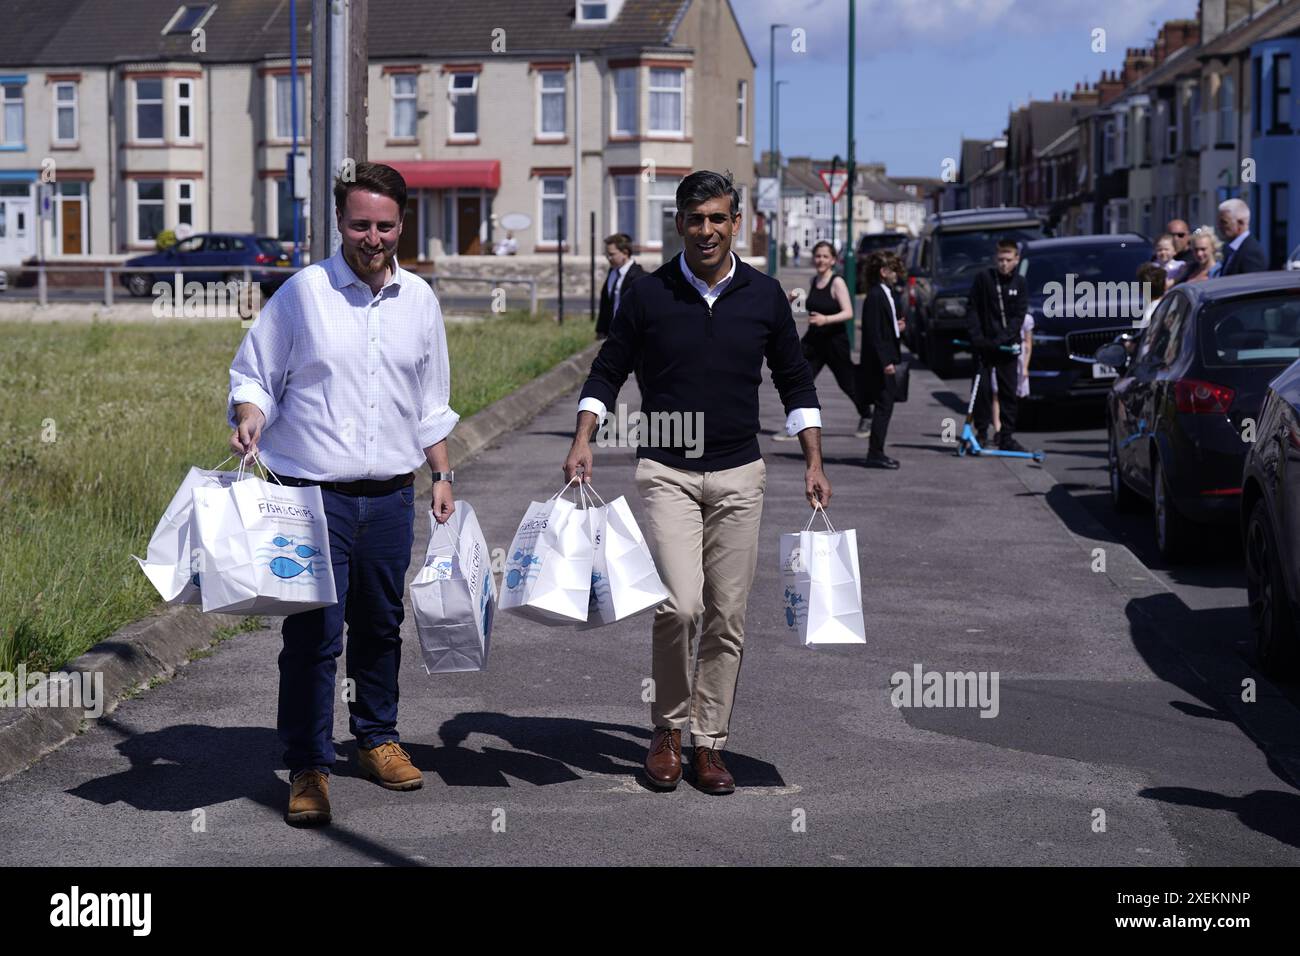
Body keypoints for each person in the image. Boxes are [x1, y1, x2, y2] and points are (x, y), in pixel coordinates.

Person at [563, 169, 831, 796]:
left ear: (736, 223)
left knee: (727, 615)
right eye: (694, 218)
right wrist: (583, 438)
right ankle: (667, 729)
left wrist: (813, 460)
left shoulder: (765, 296)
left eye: (718, 218)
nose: (706, 229)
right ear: (678, 223)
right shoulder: (649, 295)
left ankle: (710, 744)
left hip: (742, 472)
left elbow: (795, 380)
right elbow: (608, 371)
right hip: (667, 472)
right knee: (679, 605)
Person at [228, 162, 460, 828]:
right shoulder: (303, 293)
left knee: (382, 626)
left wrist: (441, 475)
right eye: (360, 223)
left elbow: (431, 402)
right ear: (339, 222)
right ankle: (307, 765)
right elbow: (255, 375)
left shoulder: (419, 300)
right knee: (315, 637)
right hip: (311, 496)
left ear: (401, 224)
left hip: (390, 496)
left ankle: (377, 738)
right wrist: (250, 414)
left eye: (385, 225)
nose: (373, 237)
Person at [774, 240, 872, 441]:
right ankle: (795, 425)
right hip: (814, 342)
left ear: (833, 260)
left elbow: (849, 313)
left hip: (835, 342)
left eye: (825, 256)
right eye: (818, 256)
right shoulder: (813, 281)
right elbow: (807, 307)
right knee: (798, 382)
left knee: (848, 383)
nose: (820, 260)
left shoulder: (837, 282)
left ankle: (867, 415)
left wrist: (825, 319)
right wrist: (792, 299)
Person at [965, 239, 1028, 452]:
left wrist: (1001, 339)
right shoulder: (984, 279)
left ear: (1016, 259)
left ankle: (1006, 435)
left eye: (1008, 260)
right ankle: (981, 432)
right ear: (995, 259)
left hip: (1006, 347)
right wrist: (978, 339)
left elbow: (1018, 318)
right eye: (1000, 260)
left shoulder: (1019, 283)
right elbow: (972, 309)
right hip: (984, 347)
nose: (1004, 264)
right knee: (981, 390)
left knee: (1008, 392)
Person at [857, 251, 905, 469]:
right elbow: (874, 332)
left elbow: (885, 327)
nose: (897, 274)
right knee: (884, 406)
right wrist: (886, 362)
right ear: (884, 272)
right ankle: (875, 453)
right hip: (880, 363)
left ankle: (876, 451)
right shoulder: (876, 295)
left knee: (885, 405)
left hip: (885, 359)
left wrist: (898, 327)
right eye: (894, 270)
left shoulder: (886, 293)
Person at [595, 232, 645, 339]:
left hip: (631, 336)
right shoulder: (612, 272)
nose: (608, 258)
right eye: (607, 254)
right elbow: (606, 303)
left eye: (612, 254)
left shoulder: (639, 276)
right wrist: (601, 331)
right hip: (613, 334)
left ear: (625, 252)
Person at [1216, 198, 1267, 276]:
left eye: (1224, 222)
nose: (1219, 226)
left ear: (1241, 223)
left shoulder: (1251, 252)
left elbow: (1252, 285)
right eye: (1219, 222)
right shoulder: (1230, 249)